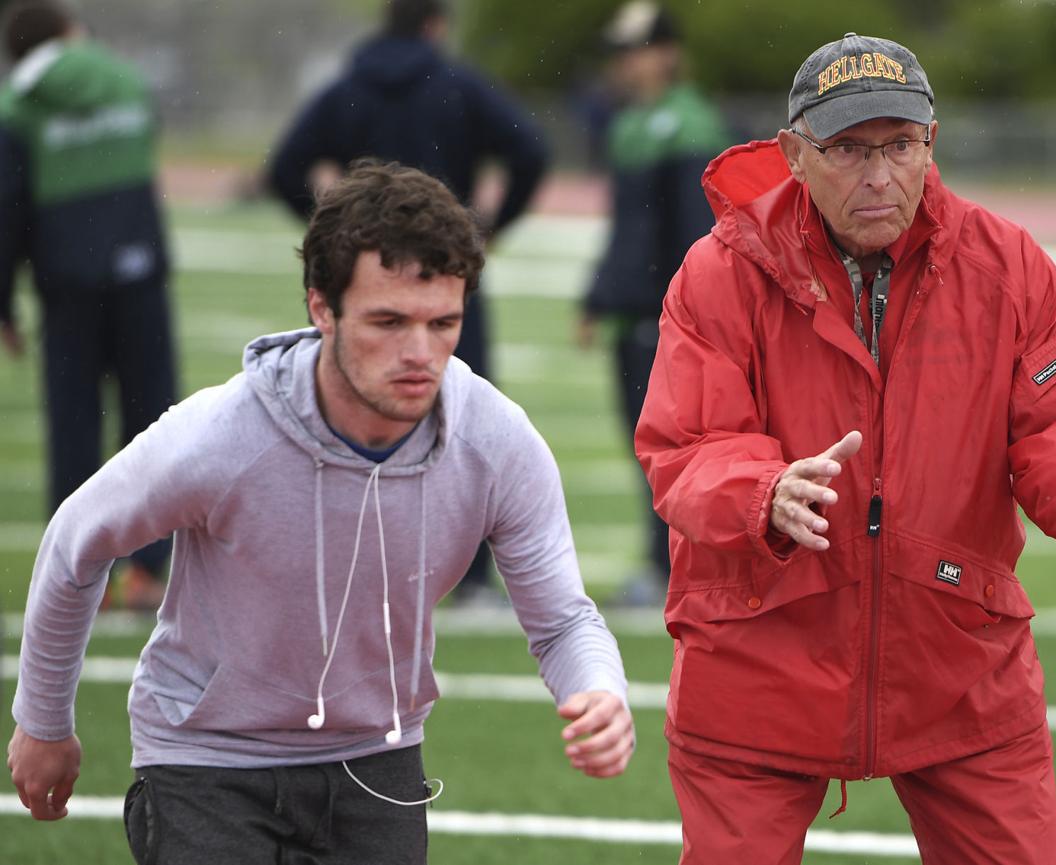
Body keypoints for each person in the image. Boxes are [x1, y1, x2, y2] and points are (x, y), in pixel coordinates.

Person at [635, 32, 1056, 864]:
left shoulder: (1008, 265)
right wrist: (762, 490)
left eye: (898, 145)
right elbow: (688, 443)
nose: (879, 176)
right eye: (848, 149)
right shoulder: (719, 272)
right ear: (794, 155)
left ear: (932, 144)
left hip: (959, 654)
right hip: (757, 652)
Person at [7, 162, 635, 864]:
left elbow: (563, 619)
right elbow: (75, 542)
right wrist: (43, 722)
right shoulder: (223, 434)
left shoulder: (496, 441)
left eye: (444, 323)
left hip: (379, 760)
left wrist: (598, 689)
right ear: (321, 308)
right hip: (207, 758)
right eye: (388, 321)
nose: (420, 353)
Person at [268, 0, 548, 605]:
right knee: (462, 420)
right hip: (445, 281)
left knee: (349, 413)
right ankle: (465, 575)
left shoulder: (348, 87)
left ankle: (353, 558)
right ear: (436, 26)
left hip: (366, 285)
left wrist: (333, 240)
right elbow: (532, 151)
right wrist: (489, 228)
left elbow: (283, 166)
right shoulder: (457, 84)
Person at [0, 0, 176, 610]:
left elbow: (8, 210)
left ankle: (78, 581)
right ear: (68, 33)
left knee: (74, 429)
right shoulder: (125, 78)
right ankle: (149, 573)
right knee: (154, 425)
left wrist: (4, 303)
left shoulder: (18, 107)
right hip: (141, 275)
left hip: (68, 286)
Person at [579, 1, 730, 606]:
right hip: (633, 309)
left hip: (665, 317)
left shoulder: (691, 126)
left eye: (636, 50)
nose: (625, 64)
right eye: (620, 52)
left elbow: (694, 237)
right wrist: (599, 295)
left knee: (673, 444)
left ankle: (670, 564)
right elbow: (625, 233)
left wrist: (688, 311)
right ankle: (660, 560)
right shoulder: (631, 124)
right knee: (645, 442)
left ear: (667, 53)